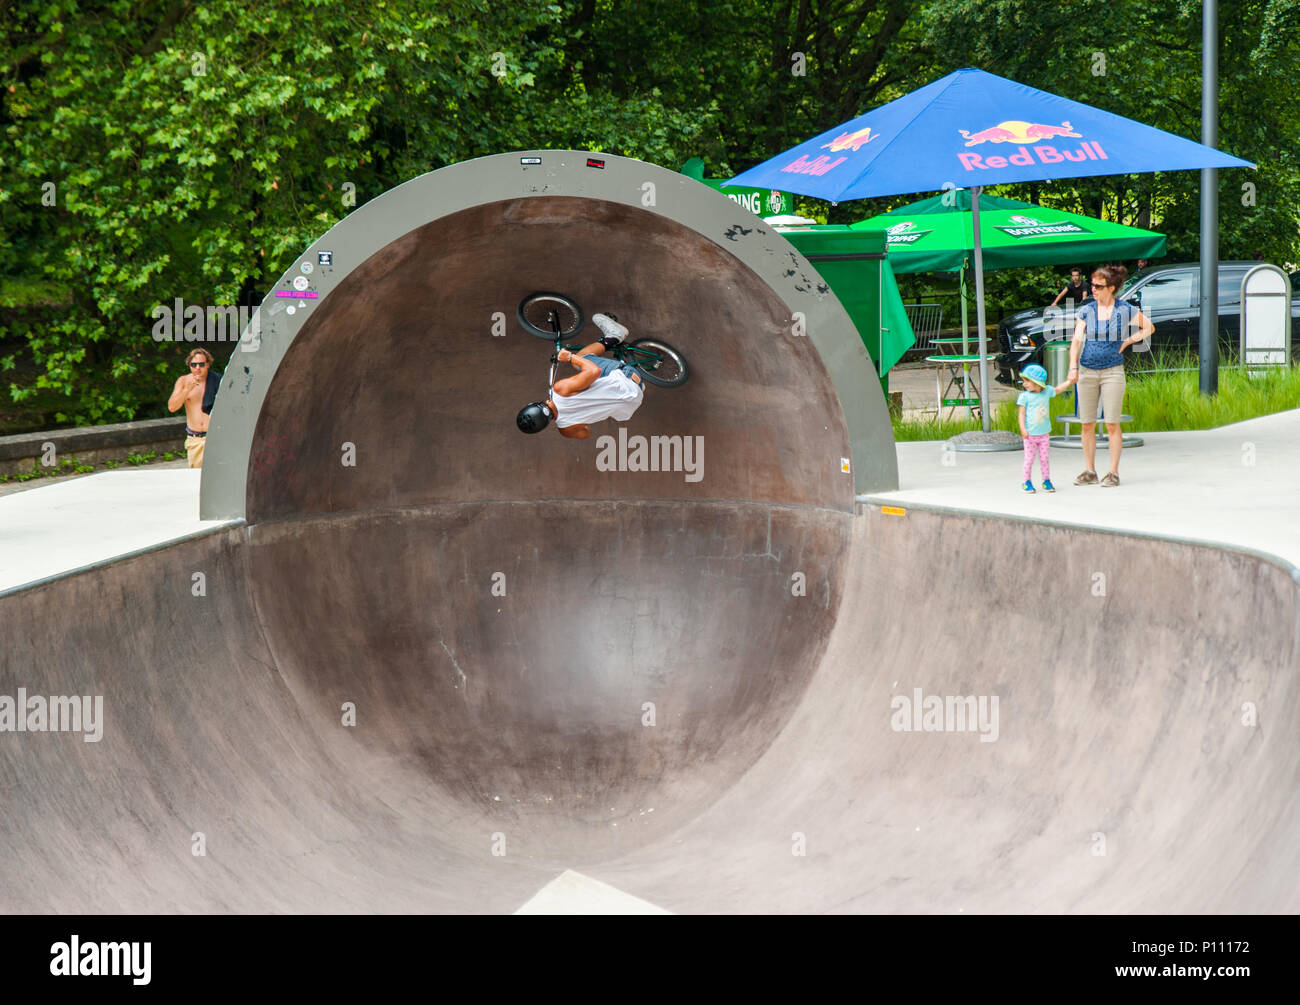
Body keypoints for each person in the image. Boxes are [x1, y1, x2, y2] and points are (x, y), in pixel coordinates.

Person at [1066, 264, 1155, 488]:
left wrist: (1128, 341)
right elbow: (1077, 339)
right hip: (1087, 370)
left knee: (1112, 424)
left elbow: (1149, 328)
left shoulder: (1124, 309)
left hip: (1112, 371)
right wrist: (1072, 366)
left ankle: (1113, 472)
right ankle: (1090, 470)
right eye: (1092, 285)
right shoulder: (1087, 310)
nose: (1093, 289)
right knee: (1087, 424)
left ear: (1111, 288)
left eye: (1098, 286)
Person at [516, 314, 644, 438]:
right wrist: (571, 358)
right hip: (627, 376)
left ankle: (637, 384)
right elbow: (594, 371)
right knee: (583, 357)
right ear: (531, 404)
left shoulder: (566, 430)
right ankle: (615, 336)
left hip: (631, 404)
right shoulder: (560, 390)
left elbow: (586, 433)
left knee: (590, 387)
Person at [1017, 363, 1075, 493]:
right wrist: (1023, 428)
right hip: (1030, 435)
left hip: (1044, 435)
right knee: (1029, 459)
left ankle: (1046, 480)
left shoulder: (1047, 391)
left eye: (1028, 381)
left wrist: (1069, 382)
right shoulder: (1025, 396)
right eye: (1024, 381)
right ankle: (1026, 481)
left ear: (1038, 383)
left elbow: (1058, 390)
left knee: (1044, 459)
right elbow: (1021, 413)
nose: (1024, 384)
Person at [167, 348, 220, 467]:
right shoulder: (183, 381)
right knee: (196, 479)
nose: (197, 368)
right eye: (194, 365)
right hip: (195, 439)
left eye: (201, 364)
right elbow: (172, 407)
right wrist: (187, 389)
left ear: (208, 364)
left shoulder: (217, 380)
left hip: (214, 437)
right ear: (189, 365)